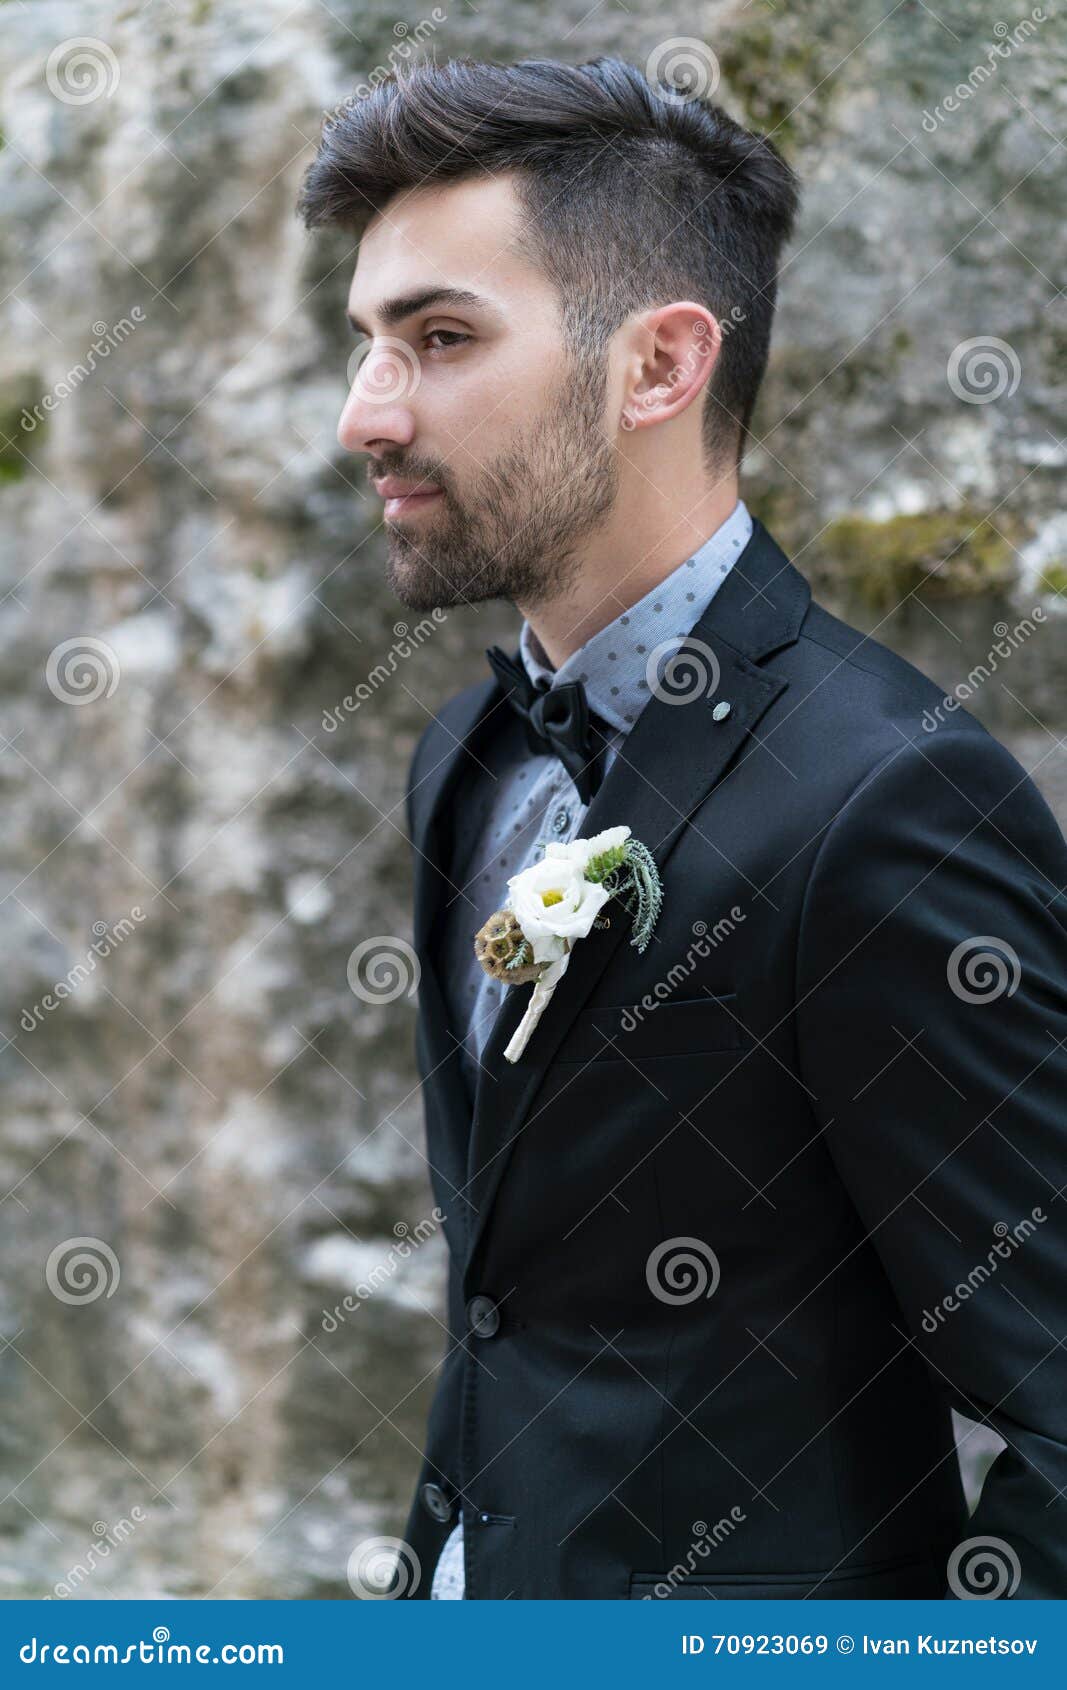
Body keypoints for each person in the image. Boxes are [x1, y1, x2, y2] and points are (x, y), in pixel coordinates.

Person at [298, 55, 1067, 1600]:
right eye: (370, 342)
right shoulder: (465, 749)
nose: (361, 416)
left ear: (658, 367)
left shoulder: (892, 799)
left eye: (440, 338)